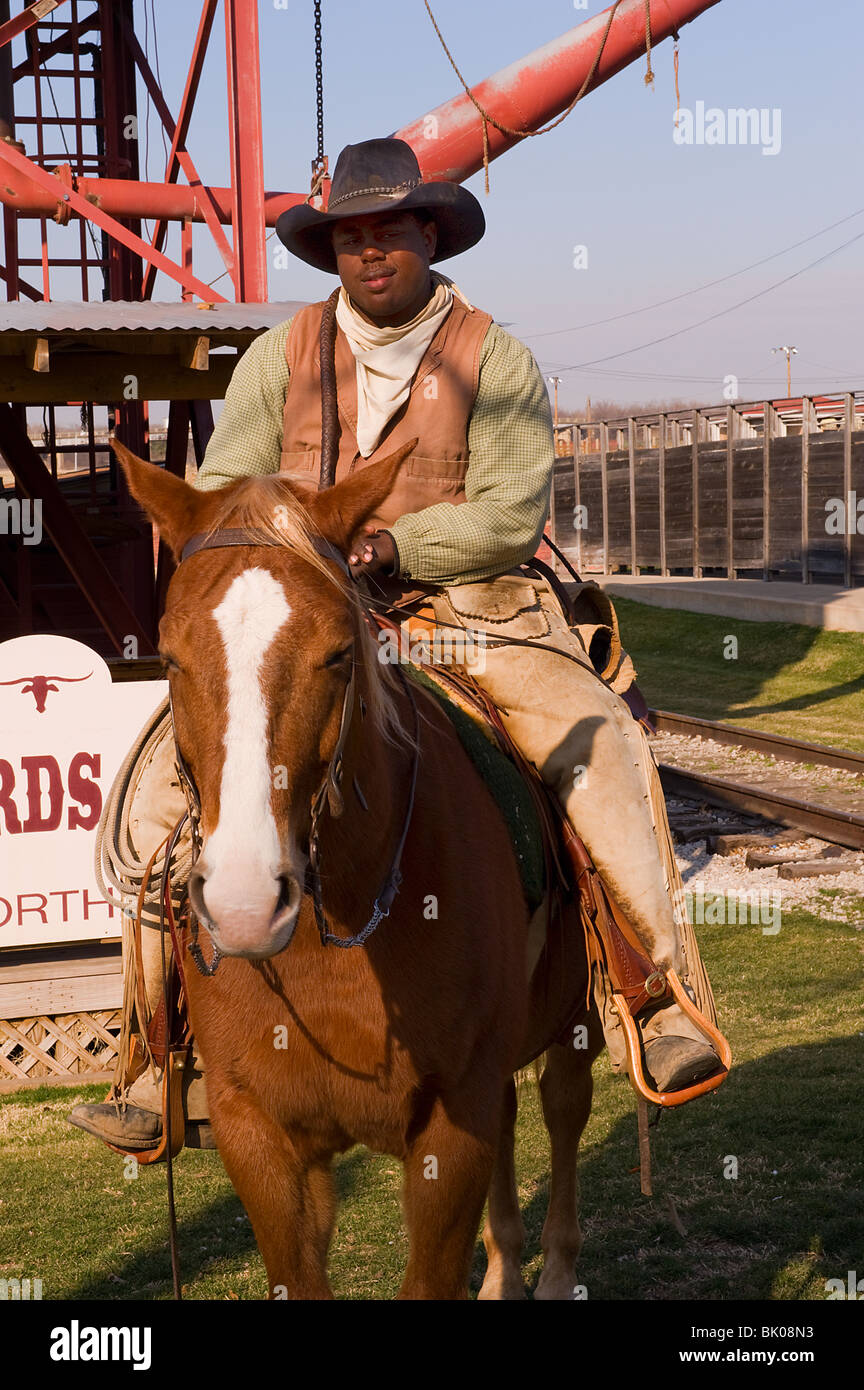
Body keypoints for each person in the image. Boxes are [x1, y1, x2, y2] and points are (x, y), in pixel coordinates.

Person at [69, 138, 721, 1152]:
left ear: (429, 234)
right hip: (312, 615)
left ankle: (653, 989)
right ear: (332, 251)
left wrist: (395, 539)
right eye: (350, 237)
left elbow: (510, 511)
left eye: (390, 233)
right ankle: (156, 1051)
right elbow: (229, 494)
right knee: (160, 784)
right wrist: (301, 549)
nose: (370, 253)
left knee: (597, 741)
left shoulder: (493, 355)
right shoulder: (274, 359)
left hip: (468, 607)